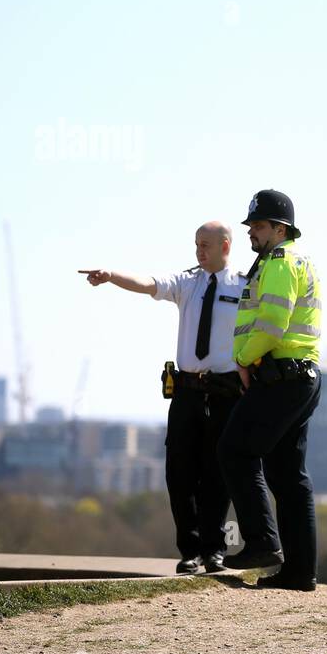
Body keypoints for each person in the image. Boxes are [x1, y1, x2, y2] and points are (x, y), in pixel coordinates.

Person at [79, 222, 247, 575]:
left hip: (225, 392)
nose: (199, 251)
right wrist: (111, 275)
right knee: (179, 472)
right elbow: (149, 284)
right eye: (196, 245)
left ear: (225, 247)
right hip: (186, 390)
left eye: (205, 245)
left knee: (217, 474)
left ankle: (213, 550)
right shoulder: (188, 283)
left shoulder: (246, 284)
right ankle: (190, 550)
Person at [217, 189, 322, 590]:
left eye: (258, 226)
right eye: (250, 226)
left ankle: (262, 544)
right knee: (288, 476)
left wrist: (242, 359)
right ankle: (300, 572)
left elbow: (273, 324)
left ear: (280, 229)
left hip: (280, 377)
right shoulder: (295, 262)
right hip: (301, 378)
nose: (251, 233)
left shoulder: (278, 262)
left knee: (234, 450)